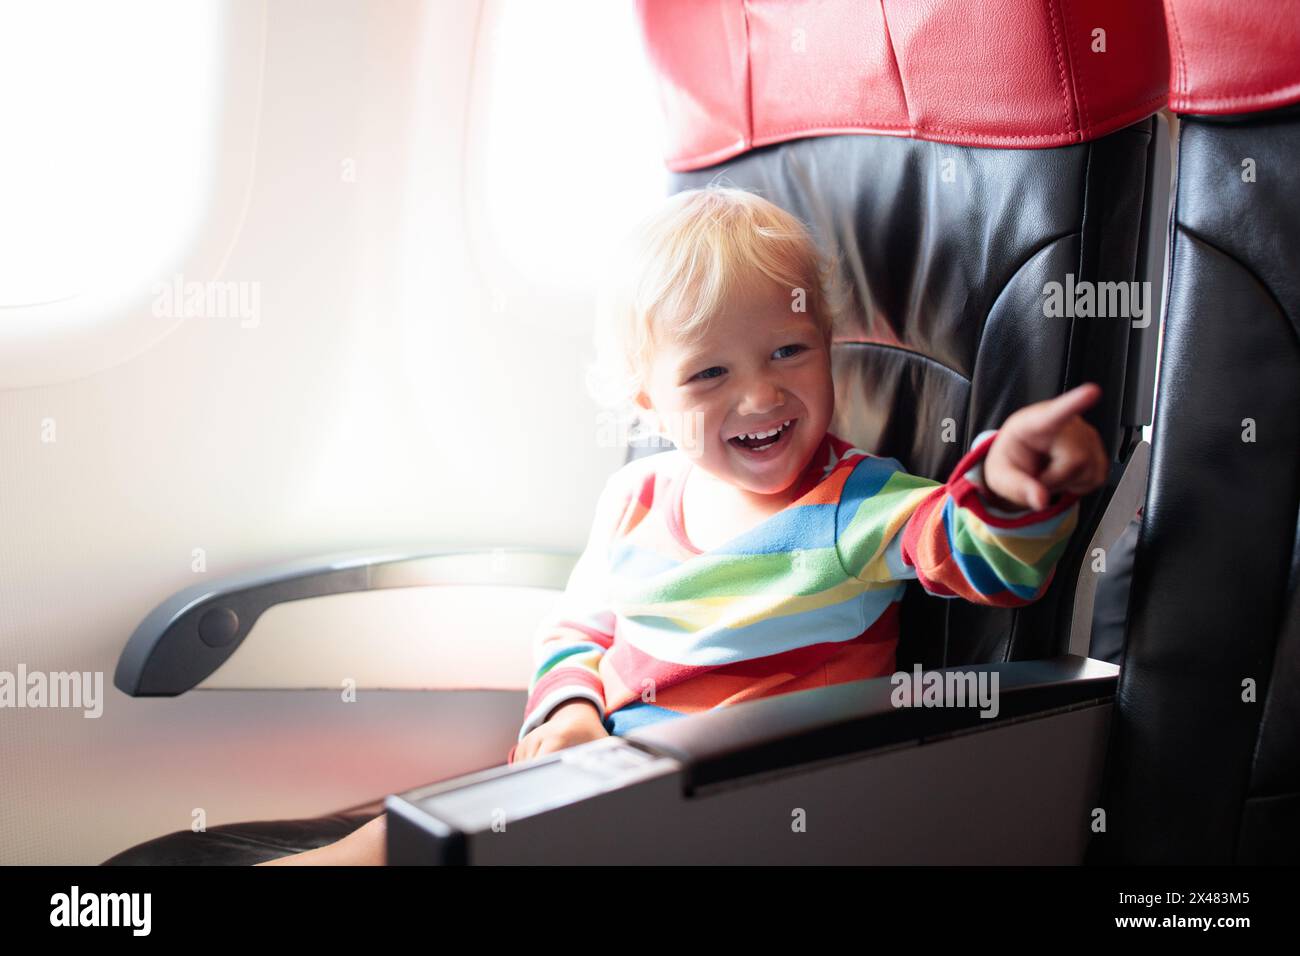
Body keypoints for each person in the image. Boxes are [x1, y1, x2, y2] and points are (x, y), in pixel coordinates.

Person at [260, 185, 1107, 864]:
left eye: (789, 351)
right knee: (392, 839)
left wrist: (1006, 482)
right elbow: (578, 623)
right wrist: (567, 712)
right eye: (710, 373)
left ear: (827, 344)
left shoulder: (852, 505)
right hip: (604, 772)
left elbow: (981, 559)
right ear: (646, 403)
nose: (762, 396)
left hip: (740, 802)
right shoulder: (634, 498)